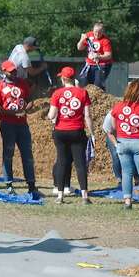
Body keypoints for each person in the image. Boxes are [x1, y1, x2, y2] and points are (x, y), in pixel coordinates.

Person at [0, 61, 41, 199]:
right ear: (4, 71)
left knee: (27, 155)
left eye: (14, 71)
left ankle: (31, 186)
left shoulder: (22, 83)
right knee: (8, 154)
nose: (14, 73)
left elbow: (29, 99)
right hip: (8, 124)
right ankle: (9, 185)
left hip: (22, 124)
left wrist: (27, 108)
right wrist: (12, 113)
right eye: (10, 71)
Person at [46, 67, 92, 204]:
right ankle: (84, 195)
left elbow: (52, 115)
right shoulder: (83, 93)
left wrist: (50, 116)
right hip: (77, 130)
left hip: (60, 131)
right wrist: (92, 132)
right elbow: (88, 115)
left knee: (61, 162)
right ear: (74, 78)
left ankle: (60, 196)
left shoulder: (57, 93)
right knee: (80, 164)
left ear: (63, 79)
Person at [111, 81, 139, 210]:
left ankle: (128, 201)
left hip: (123, 142)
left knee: (126, 173)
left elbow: (113, 126)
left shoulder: (117, 107)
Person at [77, 22, 114, 90]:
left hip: (102, 65)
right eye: (95, 32)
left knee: (98, 85)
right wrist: (82, 39)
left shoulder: (105, 40)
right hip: (89, 64)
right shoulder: (89, 35)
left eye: (99, 32)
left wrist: (99, 57)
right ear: (93, 30)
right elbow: (79, 48)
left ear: (102, 32)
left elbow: (108, 55)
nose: (97, 34)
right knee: (83, 82)